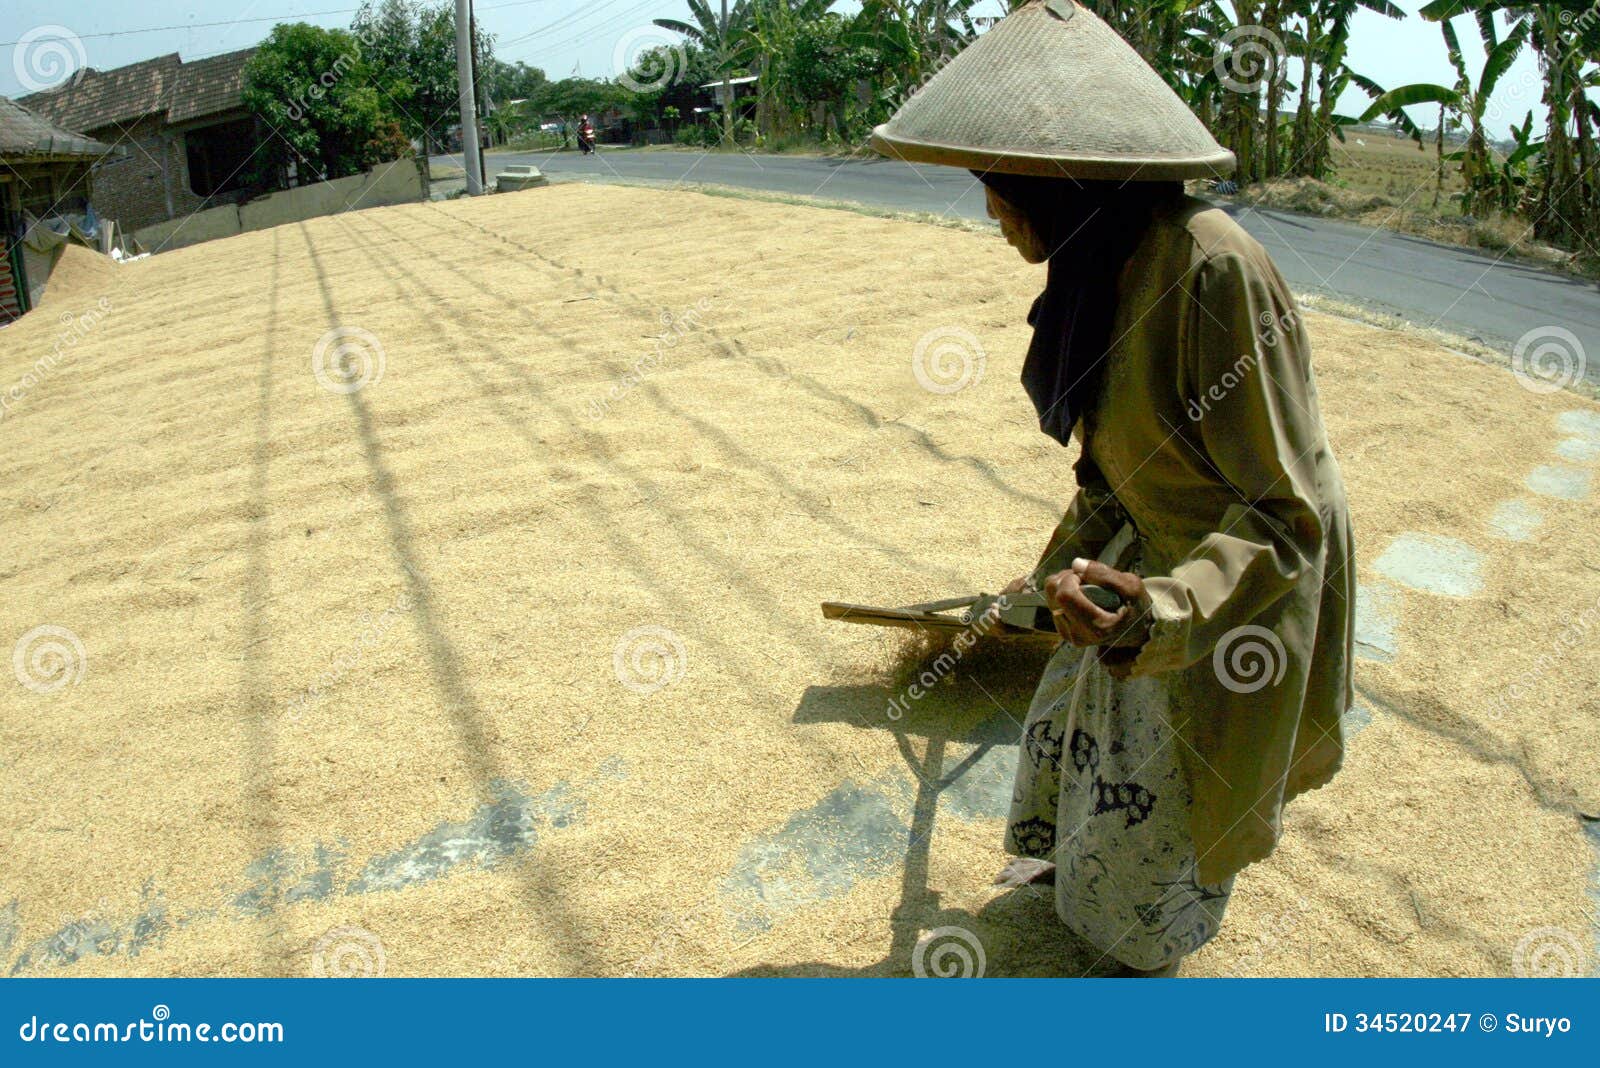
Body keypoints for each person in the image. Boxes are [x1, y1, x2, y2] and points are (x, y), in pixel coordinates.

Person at [870, 0, 1354, 976]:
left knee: (1141, 877)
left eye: (1002, 188)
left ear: (1070, 186)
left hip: (1227, 592)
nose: (993, 211)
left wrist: (1163, 610)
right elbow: (1108, 478)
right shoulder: (1098, 267)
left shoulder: (1210, 272)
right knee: (1065, 724)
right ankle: (1076, 871)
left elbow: (1282, 513)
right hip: (1144, 570)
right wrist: (1039, 587)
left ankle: (1143, 932)